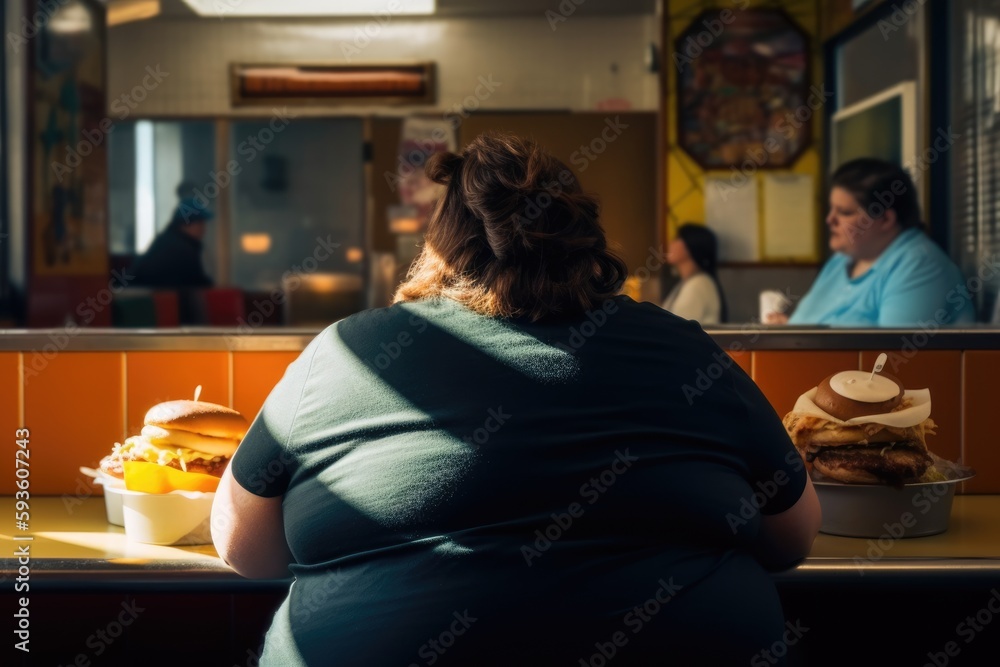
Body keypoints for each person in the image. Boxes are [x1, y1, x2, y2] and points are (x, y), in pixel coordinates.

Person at [212, 132, 820, 665]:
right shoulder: (686, 352)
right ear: (584, 239)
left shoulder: (345, 352)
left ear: (440, 243)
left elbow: (245, 548)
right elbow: (793, 536)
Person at [773, 158, 976, 326]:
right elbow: (813, 327)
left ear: (886, 219)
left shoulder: (919, 265)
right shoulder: (842, 260)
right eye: (831, 209)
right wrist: (789, 331)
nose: (829, 220)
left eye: (844, 212)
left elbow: (891, 358)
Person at [131, 181, 214, 289]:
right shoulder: (181, 249)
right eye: (200, 224)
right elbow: (195, 283)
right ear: (185, 224)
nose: (203, 229)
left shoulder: (167, 241)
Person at [661, 223, 726, 324]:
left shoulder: (699, 284)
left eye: (677, 239)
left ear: (690, 246)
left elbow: (678, 327)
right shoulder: (688, 282)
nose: (671, 243)